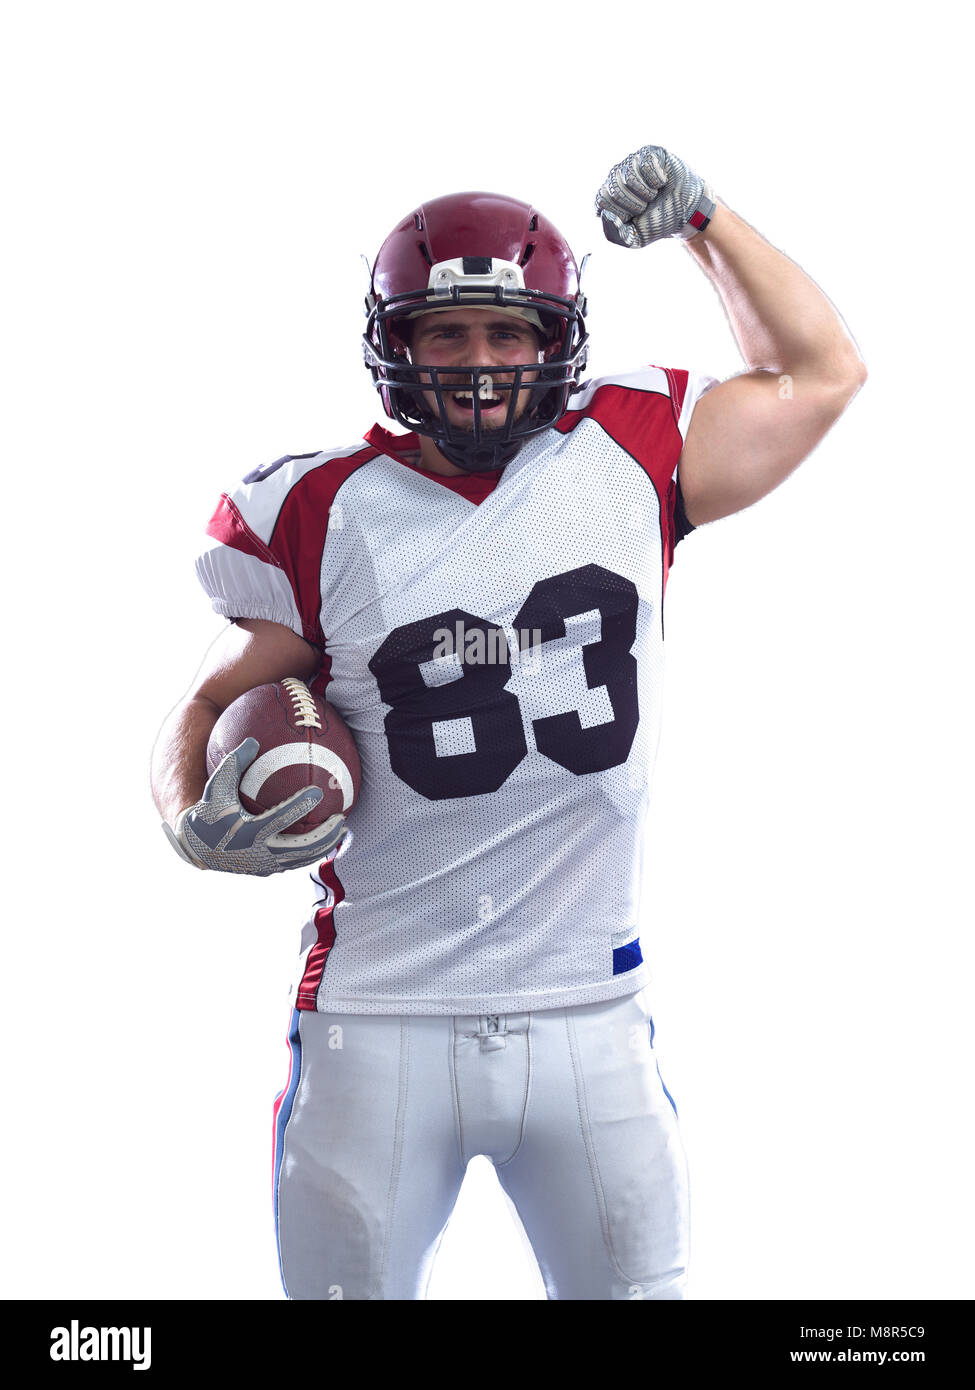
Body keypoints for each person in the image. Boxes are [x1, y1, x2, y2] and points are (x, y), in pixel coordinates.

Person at [151, 145, 866, 1300]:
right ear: (395, 345)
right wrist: (189, 810)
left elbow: (821, 370)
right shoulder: (317, 506)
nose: (480, 365)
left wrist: (705, 221)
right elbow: (200, 703)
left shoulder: (634, 447)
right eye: (447, 335)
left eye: (507, 333)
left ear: (555, 341)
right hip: (375, 1014)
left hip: (590, 1009)